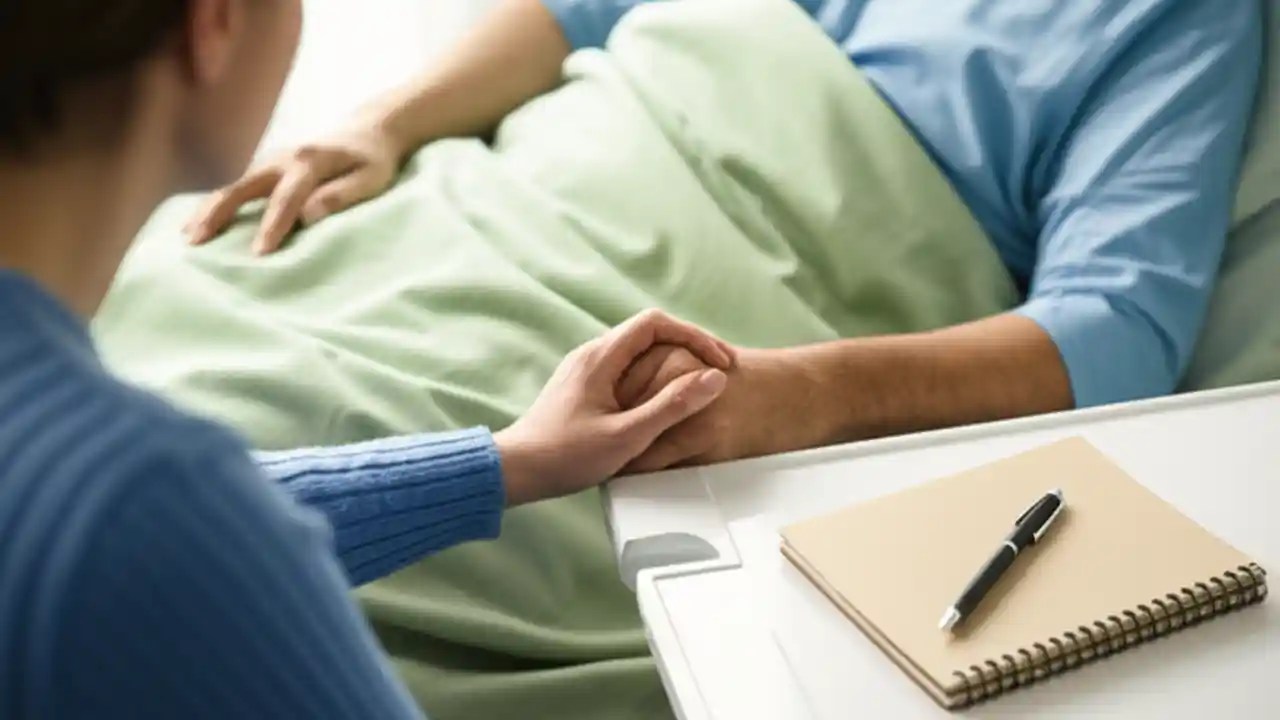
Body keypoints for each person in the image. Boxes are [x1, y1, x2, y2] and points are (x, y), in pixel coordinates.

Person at [0, 1, 738, 717]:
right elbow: (158, 537)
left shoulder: (110, 491)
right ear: (212, 24)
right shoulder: (151, 503)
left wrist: (506, 462)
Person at [189, 0, 1262, 471]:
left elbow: (1114, 332)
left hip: (740, 291)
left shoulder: (1177, 19)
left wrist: (809, 394)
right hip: (510, 184)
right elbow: (584, 3)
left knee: (320, 426)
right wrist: (382, 124)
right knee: (187, 301)